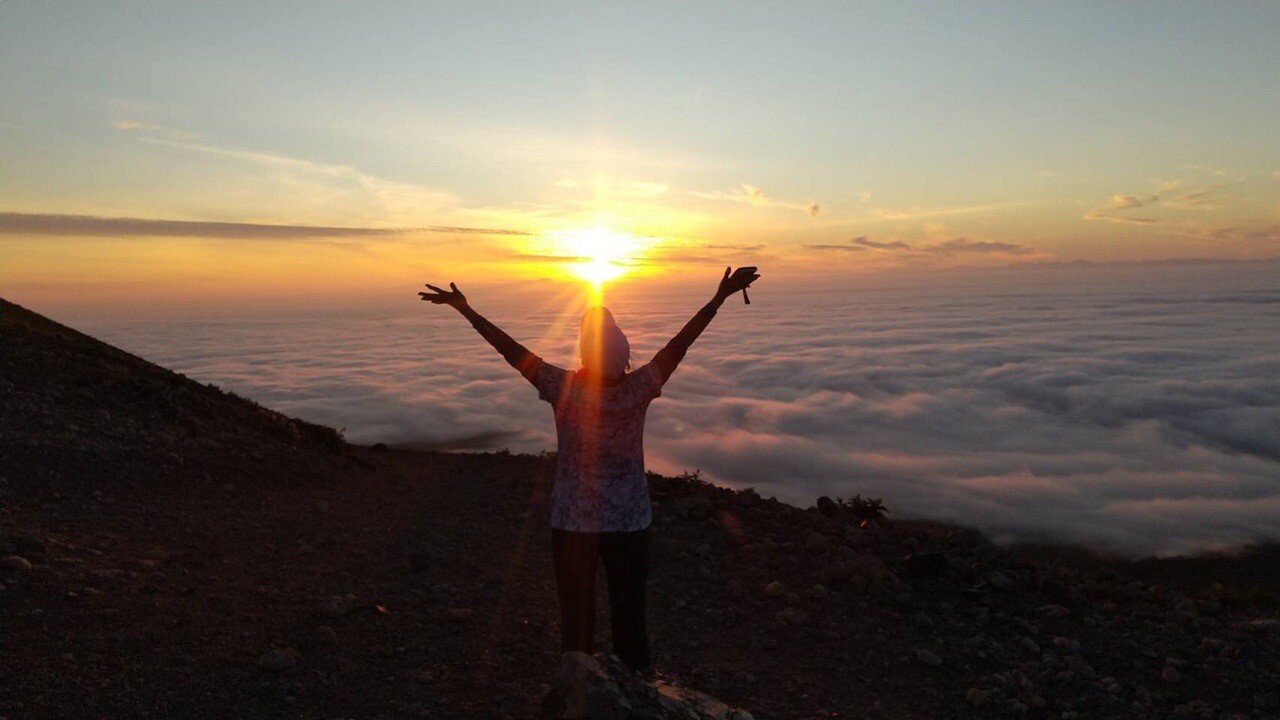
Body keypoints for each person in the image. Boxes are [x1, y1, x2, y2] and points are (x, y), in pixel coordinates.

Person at [418, 266, 760, 672]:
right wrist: (718, 298)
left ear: (583, 350)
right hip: (631, 524)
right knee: (630, 622)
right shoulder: (641, 387)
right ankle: (636, 698)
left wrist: (467, 311)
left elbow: (511, 352)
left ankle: (577, 696)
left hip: (572, 523)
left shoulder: (562, 387)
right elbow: (680, 344)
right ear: (626, 354)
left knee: (576, 627)